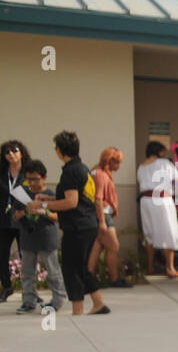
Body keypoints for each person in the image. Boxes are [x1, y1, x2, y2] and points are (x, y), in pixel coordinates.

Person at [37, 131, 109, 315]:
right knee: (82, 266)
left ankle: (78, 310)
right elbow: (77, 198)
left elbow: (71, 202)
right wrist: (47, 198)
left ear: (60, 151)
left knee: (71, 268)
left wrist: (42, 204)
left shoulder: (70, 171)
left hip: (77, 227)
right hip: (87, 224)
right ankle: (98, 303)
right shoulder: (83, 168)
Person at [11, 160, 67, 314]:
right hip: (28, 238)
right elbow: (15, 215)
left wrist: (44, 211)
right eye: (29, 179)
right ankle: (28, 301)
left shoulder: (50, 195)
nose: (32, 183)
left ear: (44, 177)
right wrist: (20, 215)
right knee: (27, 272)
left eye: (35, 179)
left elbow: (59, 217)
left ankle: (58, 300)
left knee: (53, 271)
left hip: (47, 238)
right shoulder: (22, 193)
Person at [136, 141, 178, 278]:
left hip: (145, 200)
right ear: (159, 152)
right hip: (162, 199)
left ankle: (150, 267)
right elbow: (177, 180)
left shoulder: (141, 167)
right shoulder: (165, 164)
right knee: (169, 231)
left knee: (148, 232)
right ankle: (170, 267)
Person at [89, 147, 131, 288]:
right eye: (117, 162)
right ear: (109, 161)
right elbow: (98, 198)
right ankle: (114, 279)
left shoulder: (95, 171)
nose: (119, 166)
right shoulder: (101, 175)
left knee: (98, 247)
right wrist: (102, 221)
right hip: (103, 215)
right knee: (113, 246)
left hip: (98, 214)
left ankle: (89, 278)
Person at [2, 139, 31, 302]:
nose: (11, 154)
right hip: (4, 219)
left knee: (25, 254)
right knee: (2, 254)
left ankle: (29, 290)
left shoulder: (29, 171)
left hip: (23, 219)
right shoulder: (2, 172)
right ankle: (6, 287)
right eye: (7, 152)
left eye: (14, 150)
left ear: (21, 152)